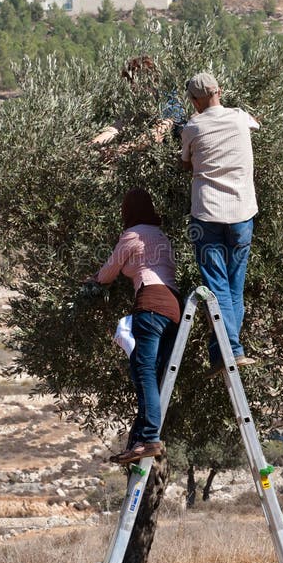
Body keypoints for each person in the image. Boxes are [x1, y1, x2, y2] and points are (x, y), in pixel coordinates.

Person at [92, 188, 181, 463]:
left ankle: (150, 438)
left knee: (144, 373)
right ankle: (145, 437)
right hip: (174, 307)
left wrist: (93, 280)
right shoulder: (161, 235)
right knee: (153, 373)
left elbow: (109, 271)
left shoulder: (134, 234)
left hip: (151, 303)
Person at [181, 71, 259, 377]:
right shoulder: (240, 118)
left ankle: (231, 351)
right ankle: (224, 353)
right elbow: (257, 124)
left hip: (207, 215)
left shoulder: (193, 126)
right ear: (219, 91)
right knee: (234, 286)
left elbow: (184, 162)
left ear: (195, 100)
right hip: (242, 214)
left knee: (217, 286)